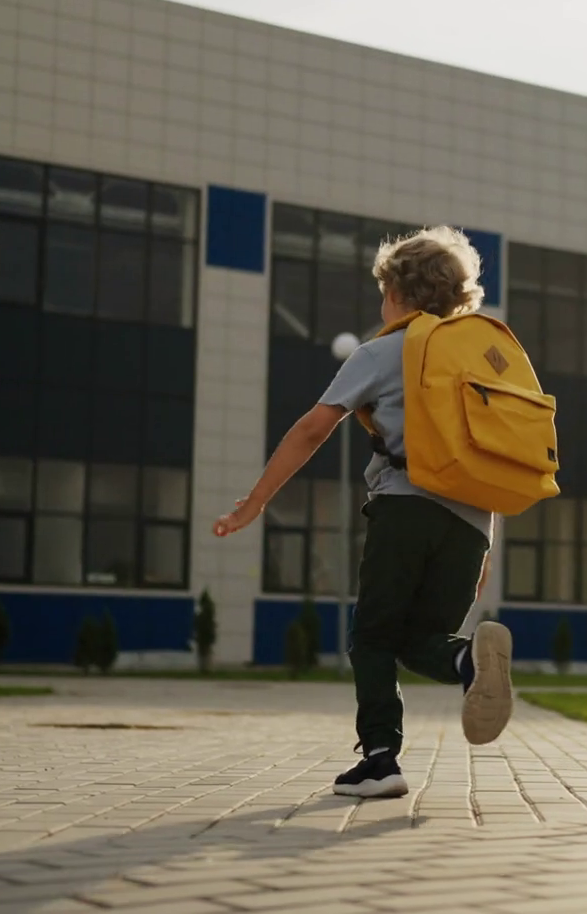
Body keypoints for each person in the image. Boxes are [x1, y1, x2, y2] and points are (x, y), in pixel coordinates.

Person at [213, 225, 514, 799]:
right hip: (474, 518)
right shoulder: (480, 359)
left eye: (383, 292)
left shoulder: (384, 350)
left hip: (405, 508)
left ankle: (380, 760)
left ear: (398, 293)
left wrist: (256, 501)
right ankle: (468, 664)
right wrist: (486, 550)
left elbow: (311, 431)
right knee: (420, 636)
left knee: (371, 638)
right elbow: (492, 451)